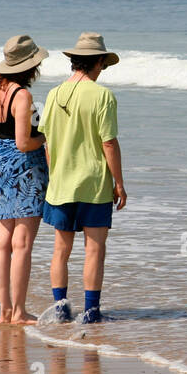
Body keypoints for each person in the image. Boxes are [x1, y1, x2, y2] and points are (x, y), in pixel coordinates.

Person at [40, 32, 127, 323]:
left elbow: (48, 141)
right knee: (95, 249)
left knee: (60, 249)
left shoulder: (53, 95)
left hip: (61, 182)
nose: (103, 69)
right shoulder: (103, 96)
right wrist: (120, 184)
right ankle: (91, 311)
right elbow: (109, 143)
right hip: (93, 183)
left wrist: (55, 174)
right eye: (103, 63)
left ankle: (61, 308)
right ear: (98, 61)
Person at [0, 34, 50, 324]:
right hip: (24, 169)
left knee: (3, 242)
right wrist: (46, 136)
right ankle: (20, 312)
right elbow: (24, 142)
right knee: (22, 243)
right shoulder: (22, 96)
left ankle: (4, 310)